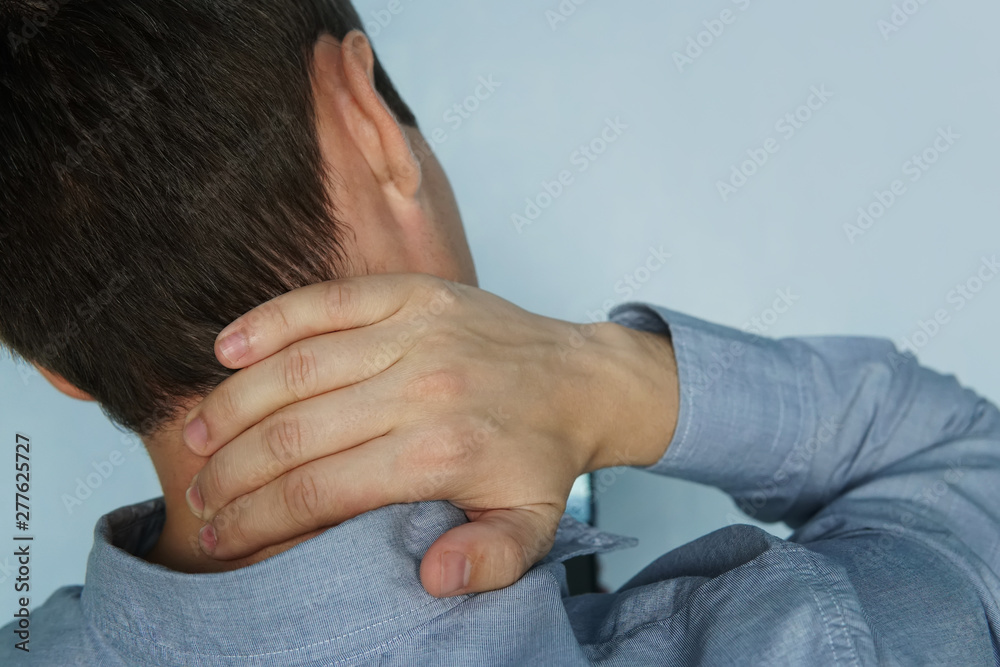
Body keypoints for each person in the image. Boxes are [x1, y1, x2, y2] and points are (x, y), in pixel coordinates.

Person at [1, 1, 998, 664]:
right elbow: (965, 465)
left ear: (58, 366)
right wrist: (608, 384)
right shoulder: (783, 639)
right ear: (367, 124)